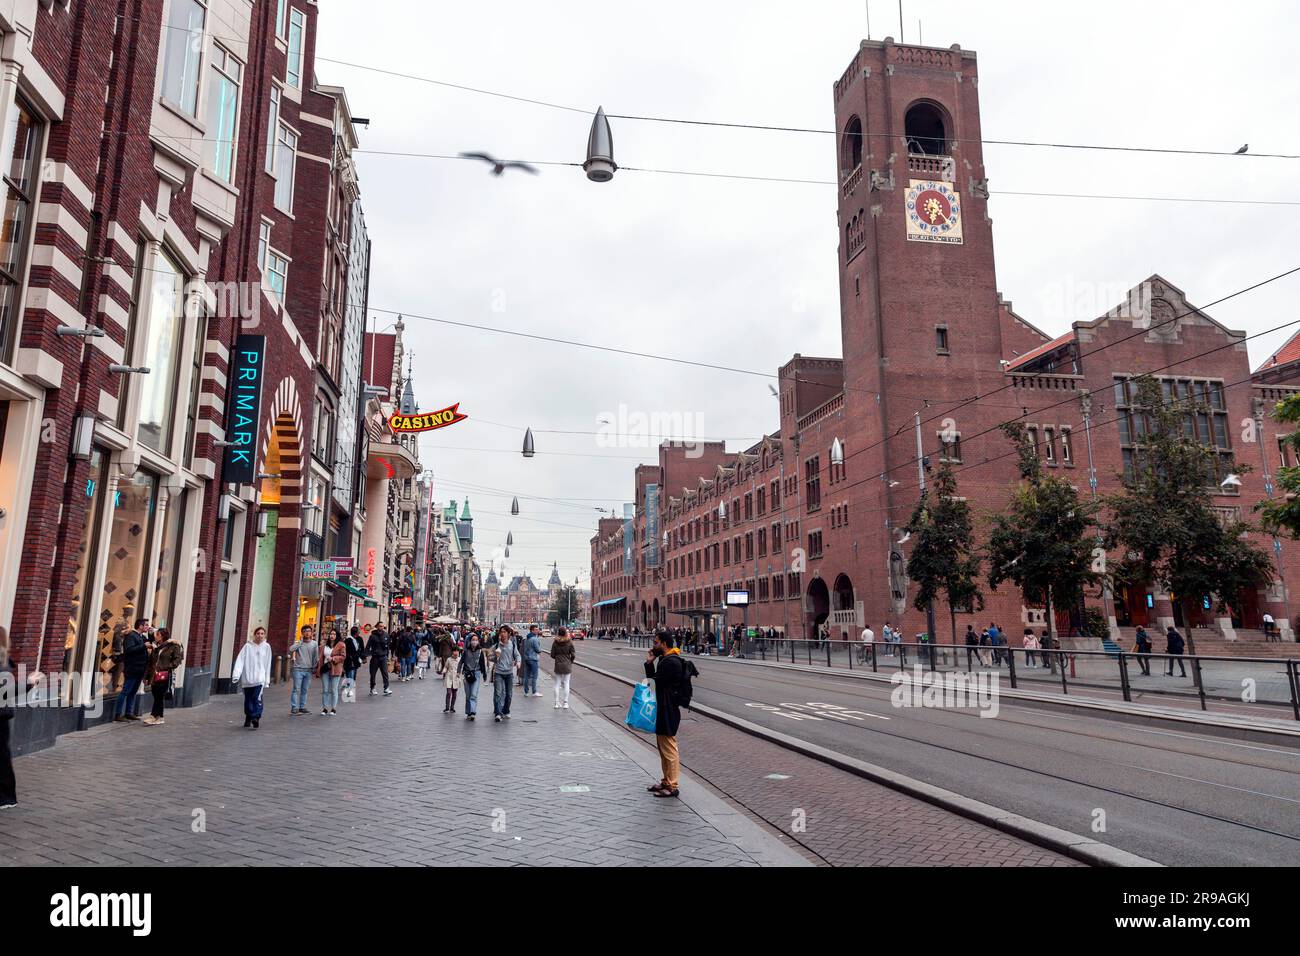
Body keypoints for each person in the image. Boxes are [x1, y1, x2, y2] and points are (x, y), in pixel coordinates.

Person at [644, 632, 686, 799]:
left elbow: (653, 683)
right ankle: (666, 781)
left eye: (656, 642)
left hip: (668, 708)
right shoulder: (666, 659)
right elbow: (655, 683)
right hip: (664, 707)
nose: (654, 645)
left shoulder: (671, 662)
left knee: (669, 748)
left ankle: (673, 785)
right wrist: (650, 662)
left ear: (664, 643)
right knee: (663, 747)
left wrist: (649, 663)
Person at [112, 618, 153, 722]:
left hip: (140, 669)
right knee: (125, 691)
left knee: (133, 691)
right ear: (140, 626)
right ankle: (118, 714)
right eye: (146, 625)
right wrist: (143, 646)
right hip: (132, 668)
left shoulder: (141, 636)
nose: (148, 627)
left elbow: (149, 643)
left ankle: (128, 713)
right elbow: (129, 650)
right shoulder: (131, 636)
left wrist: (151, 635)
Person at [232, 627, 273, 729]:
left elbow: (268, 663)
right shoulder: (247, 647)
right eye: (258, 633)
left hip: (260, 679)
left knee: (257, 697)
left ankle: (256, 717)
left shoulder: (267, 647)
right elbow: (240, 660)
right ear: (254, 635)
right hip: (248, 678)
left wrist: (266, 679)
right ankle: (249, 716)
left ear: (265, 635)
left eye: (262, 633)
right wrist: (236, 674)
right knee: (248, 699)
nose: (260, 635)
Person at [141, 628, 184, 726]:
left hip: (164, 675)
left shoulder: (173, 646)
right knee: (156, 694)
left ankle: (154, 716)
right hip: (154, 675)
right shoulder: (157, 647)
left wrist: (167, 668)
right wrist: (146, 676)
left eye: (157, 634)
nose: (155, 636)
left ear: (162, 636)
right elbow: (151, 662)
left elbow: (177, 659)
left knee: (159, 696)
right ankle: (159, 717)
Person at [0, 625, 19, 808]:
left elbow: (8, 690)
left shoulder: (2, 663)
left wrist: (29, 685)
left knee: (2, 756)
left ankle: (7, 797)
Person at [490, 625, 519, 722]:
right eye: (501, 632)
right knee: (498, 693)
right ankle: (498, 713)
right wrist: (496, 657)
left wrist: (518, 662)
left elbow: (517, 655)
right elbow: (490, 657)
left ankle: (506, 710)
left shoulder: (512, 644)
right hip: (498, 672)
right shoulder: (497, 645)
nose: (502, 633)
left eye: (504, 632)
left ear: (509, 633)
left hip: (509, 673)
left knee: (509, 694)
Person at [288, 625, 318, 716]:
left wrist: (314, 667)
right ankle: (294, 708)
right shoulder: (299, 643)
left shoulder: (314, 643)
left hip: (308, 670)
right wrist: (300, 642)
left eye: (309, 631)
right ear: (302, 633)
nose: (307, 632)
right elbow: (291, 649)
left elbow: (315, 656)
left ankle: (302, 707)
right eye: (305, 631)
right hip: (298, 670)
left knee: (305, 690)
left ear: (311, 632)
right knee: (296, 689)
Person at [458, 634, 489, 720]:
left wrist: (485, 675)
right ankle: (468, 712)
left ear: (478, 641)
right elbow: (461, 662)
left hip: (477, 673)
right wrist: (458, 671)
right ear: (470, 641)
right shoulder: (466, 651)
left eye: (476, 640)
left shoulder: (480, 651)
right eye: (473, 640)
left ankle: (472, 712)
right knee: (468, 695)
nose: (474, 641)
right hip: (467, 674)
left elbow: (482, 664)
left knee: (473, 694)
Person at [319, 630, 345, 715]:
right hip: (325, 669)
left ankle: (333, 709)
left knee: (334, 689)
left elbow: (343, 656)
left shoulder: (341, 645)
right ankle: (325, 708)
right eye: (330, 634)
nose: (332, 635)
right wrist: (318, 669)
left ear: (337, 635)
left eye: (334, 634)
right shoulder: (324, 645)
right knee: (325, 690)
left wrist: (334, 658)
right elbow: (321, 658)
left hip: (336, 669)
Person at [550, 626, 576, 709]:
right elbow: (573, 654)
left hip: (558, 664)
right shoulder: (569, 642)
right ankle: (565, 703)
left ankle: (556, 703)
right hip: (567, 663)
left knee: (557, 683)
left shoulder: (555, 642)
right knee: (566, 683)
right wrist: (570, 661)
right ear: (565, 632)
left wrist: (557, 657)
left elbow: (552, 655)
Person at [366, 625, 392, 696]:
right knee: (373, 674)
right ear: (377, 627)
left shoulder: (386, 635)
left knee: (385, 673)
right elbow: (368, 646)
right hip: (375, 657)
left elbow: (388, 646)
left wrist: (387, 657)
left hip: (383, 657)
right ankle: (372, 688)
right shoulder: (372, 636)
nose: (382, 627)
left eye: (383, 626)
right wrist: (365, 656)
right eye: (380, 626)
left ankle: (386, 688)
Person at [342, 627, 365, 702]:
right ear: (355, 633)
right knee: (350, 675)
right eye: (358, 631)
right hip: (349, 660)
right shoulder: (348, 640)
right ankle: (350, 690)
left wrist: (363, 657)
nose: (359, 633)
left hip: (356, 661)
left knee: (352, 675)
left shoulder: (359, 639)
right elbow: (345, 650)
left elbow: (361, 648)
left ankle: (349, 686)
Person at [439, 646, 464, 713]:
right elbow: (446, 667)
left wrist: (461, 673)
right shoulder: (449, 659)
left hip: (456, 677)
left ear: (459, 652)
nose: (456, 652)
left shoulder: (460, 659)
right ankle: (447, 707)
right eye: (454, 651)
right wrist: (443, 671)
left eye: (457, 651)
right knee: (449, 692)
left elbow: (462, 668)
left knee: (454, 693)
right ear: (452, 652)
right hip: (449, 677)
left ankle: (452, 707)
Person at [522, 625, 542, 697]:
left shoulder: (526, 638)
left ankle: (526, 692)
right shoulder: (534, 639)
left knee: (526, 676)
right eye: (536, 629)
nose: (537, 631)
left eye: (538, 629)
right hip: (533, 659)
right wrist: (540, 651)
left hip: (526, 659)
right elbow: (537, 649)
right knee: (534, 676)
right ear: (532, 630)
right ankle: (534, 692)